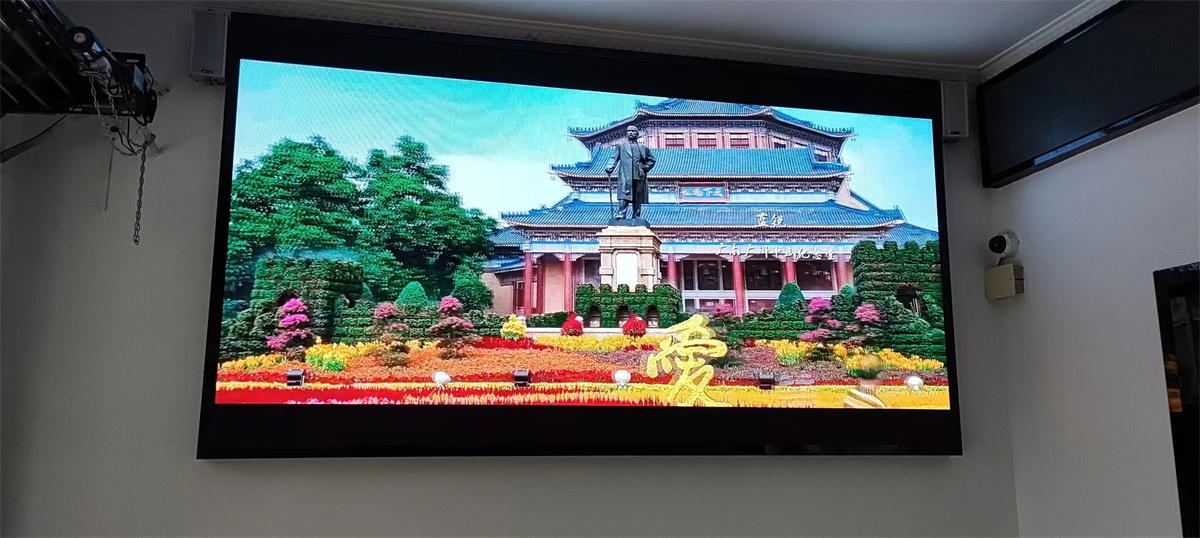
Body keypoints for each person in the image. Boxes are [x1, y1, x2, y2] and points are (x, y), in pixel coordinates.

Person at [605, 125, 656, 220]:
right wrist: (610, 167)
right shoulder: (621, 146)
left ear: (637, 134)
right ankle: (621, 214)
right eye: (629, 131)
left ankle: (636, 215)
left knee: (637, 196)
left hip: (639, 175)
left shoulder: (643, 148)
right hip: (625, 174)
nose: (630, 133)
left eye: (633, 131)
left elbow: (652, 160)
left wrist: (645, 167)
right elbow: (613, 158)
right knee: (624, 194)